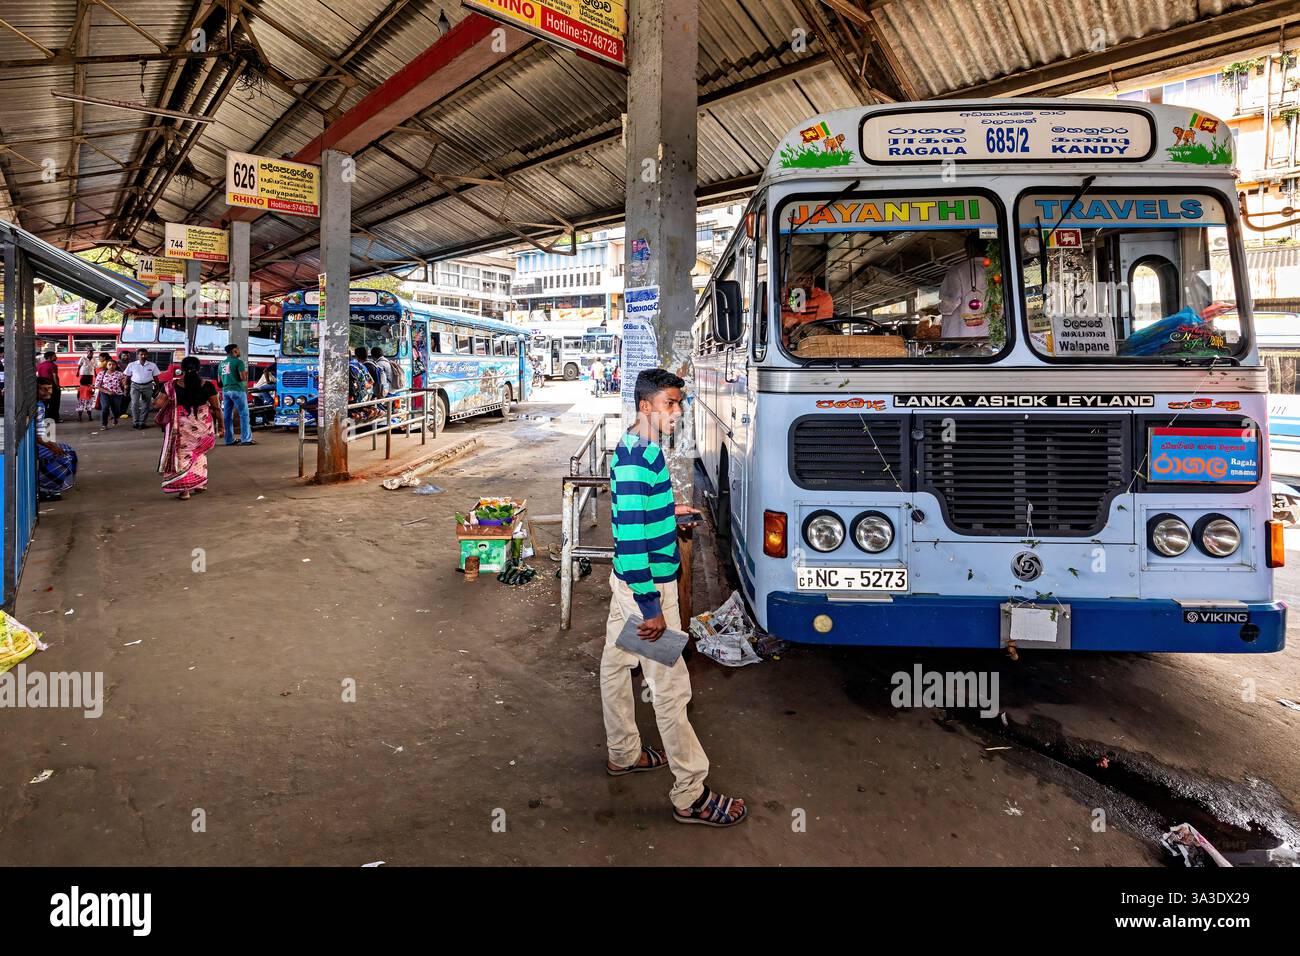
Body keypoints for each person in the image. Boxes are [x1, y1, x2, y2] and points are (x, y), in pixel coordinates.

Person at [601, 367, 748, 828]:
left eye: (679, 403)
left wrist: (672, 513)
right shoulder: (633, 459)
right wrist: (652, 611)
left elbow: (641, 519)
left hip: (630, 586)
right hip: (648, 592)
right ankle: (691, 794)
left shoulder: (644, 449)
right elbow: (630, 540)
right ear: (645, 406)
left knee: (615, 666)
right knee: (670, 689)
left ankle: (623, 753)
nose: (678, 411)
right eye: (670, 403)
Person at [154, 355, 222, 500]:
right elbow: (216, 408)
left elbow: (158, 404)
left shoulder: (171, 386)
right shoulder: (208, 385)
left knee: (183, 456)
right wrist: (221, 427)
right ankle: (199, 484)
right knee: (199, 453)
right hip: (203, 428)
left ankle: (185, 490)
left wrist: (170, 399)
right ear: (199, 369)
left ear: (181, 369)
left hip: (181, 428)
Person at [938, 234, 990, 338]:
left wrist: (937, 308)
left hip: (959, 338)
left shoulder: (957, 271)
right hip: (989, 336)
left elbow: (949, 305)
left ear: (970, 248)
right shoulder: (998, 271)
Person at [34, 377, 77, 501]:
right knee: (66, 457)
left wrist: (52, 444)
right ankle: (45, 488)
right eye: (45, 389)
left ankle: (49, 487)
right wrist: (52, 447)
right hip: (36, 444)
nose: (49, 392)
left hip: (41, 442)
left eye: (50, 389)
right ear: (36, 389)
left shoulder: (41, 404)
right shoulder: (36, 406)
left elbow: (43, 430)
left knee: (68, 452)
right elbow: (36, 434)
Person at [780, 273, 835, 344]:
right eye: (801, 279)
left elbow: (821, 329)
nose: (808, 283)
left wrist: (797, 322)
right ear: (791, 282)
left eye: (811, 278)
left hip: (811, 345)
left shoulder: (823, 297)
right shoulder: (778, 296)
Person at [217, 343, 254, 446]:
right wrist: (244, 374)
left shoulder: (222, 364)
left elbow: (219, 381)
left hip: (226, 391)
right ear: (234, 351)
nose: (239, 351)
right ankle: (246, 439)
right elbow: (242, 378)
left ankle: (229, 440)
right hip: (237, 390)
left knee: (227, 416)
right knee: (244, 414)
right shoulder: (238, 362)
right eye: (238, 349)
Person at [123, 348, 161, 429]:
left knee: (146, 405)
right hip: (135, 386)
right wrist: (126, 388)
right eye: (141, 354)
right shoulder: (131, 365)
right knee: (134, 404)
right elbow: (127, 377)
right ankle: (135, 422)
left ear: (147, 355)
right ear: (137, 355)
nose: (143, 356)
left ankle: (142, 422)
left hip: (148, 386)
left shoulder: (152, 365)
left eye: (145, 354)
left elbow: (156, 378)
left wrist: (158, 389)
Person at [94, 358, 127, 428]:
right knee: (105, 408)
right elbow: (97, 386)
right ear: (107, 366)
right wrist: (107, 392)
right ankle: (104, 424)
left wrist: (125, 385)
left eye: (113, 364)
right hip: (104, 393)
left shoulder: (120, 374)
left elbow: (124, 382)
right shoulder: (101, 374)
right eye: (110, 364)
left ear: (116, 366)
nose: (111, 366)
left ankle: (115, 418)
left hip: (117, 394)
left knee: (116, 410)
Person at [36, 351, 61, 422]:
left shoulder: (40, 365)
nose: (56, 357)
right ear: (50, 357)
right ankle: (54, 418)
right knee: (54, 403)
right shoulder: (53, 366)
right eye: (54, 356)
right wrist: (57, 386)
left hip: (42, 386)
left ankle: (43, 418)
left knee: (44, 403)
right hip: (51, 386)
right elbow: (55, 376)